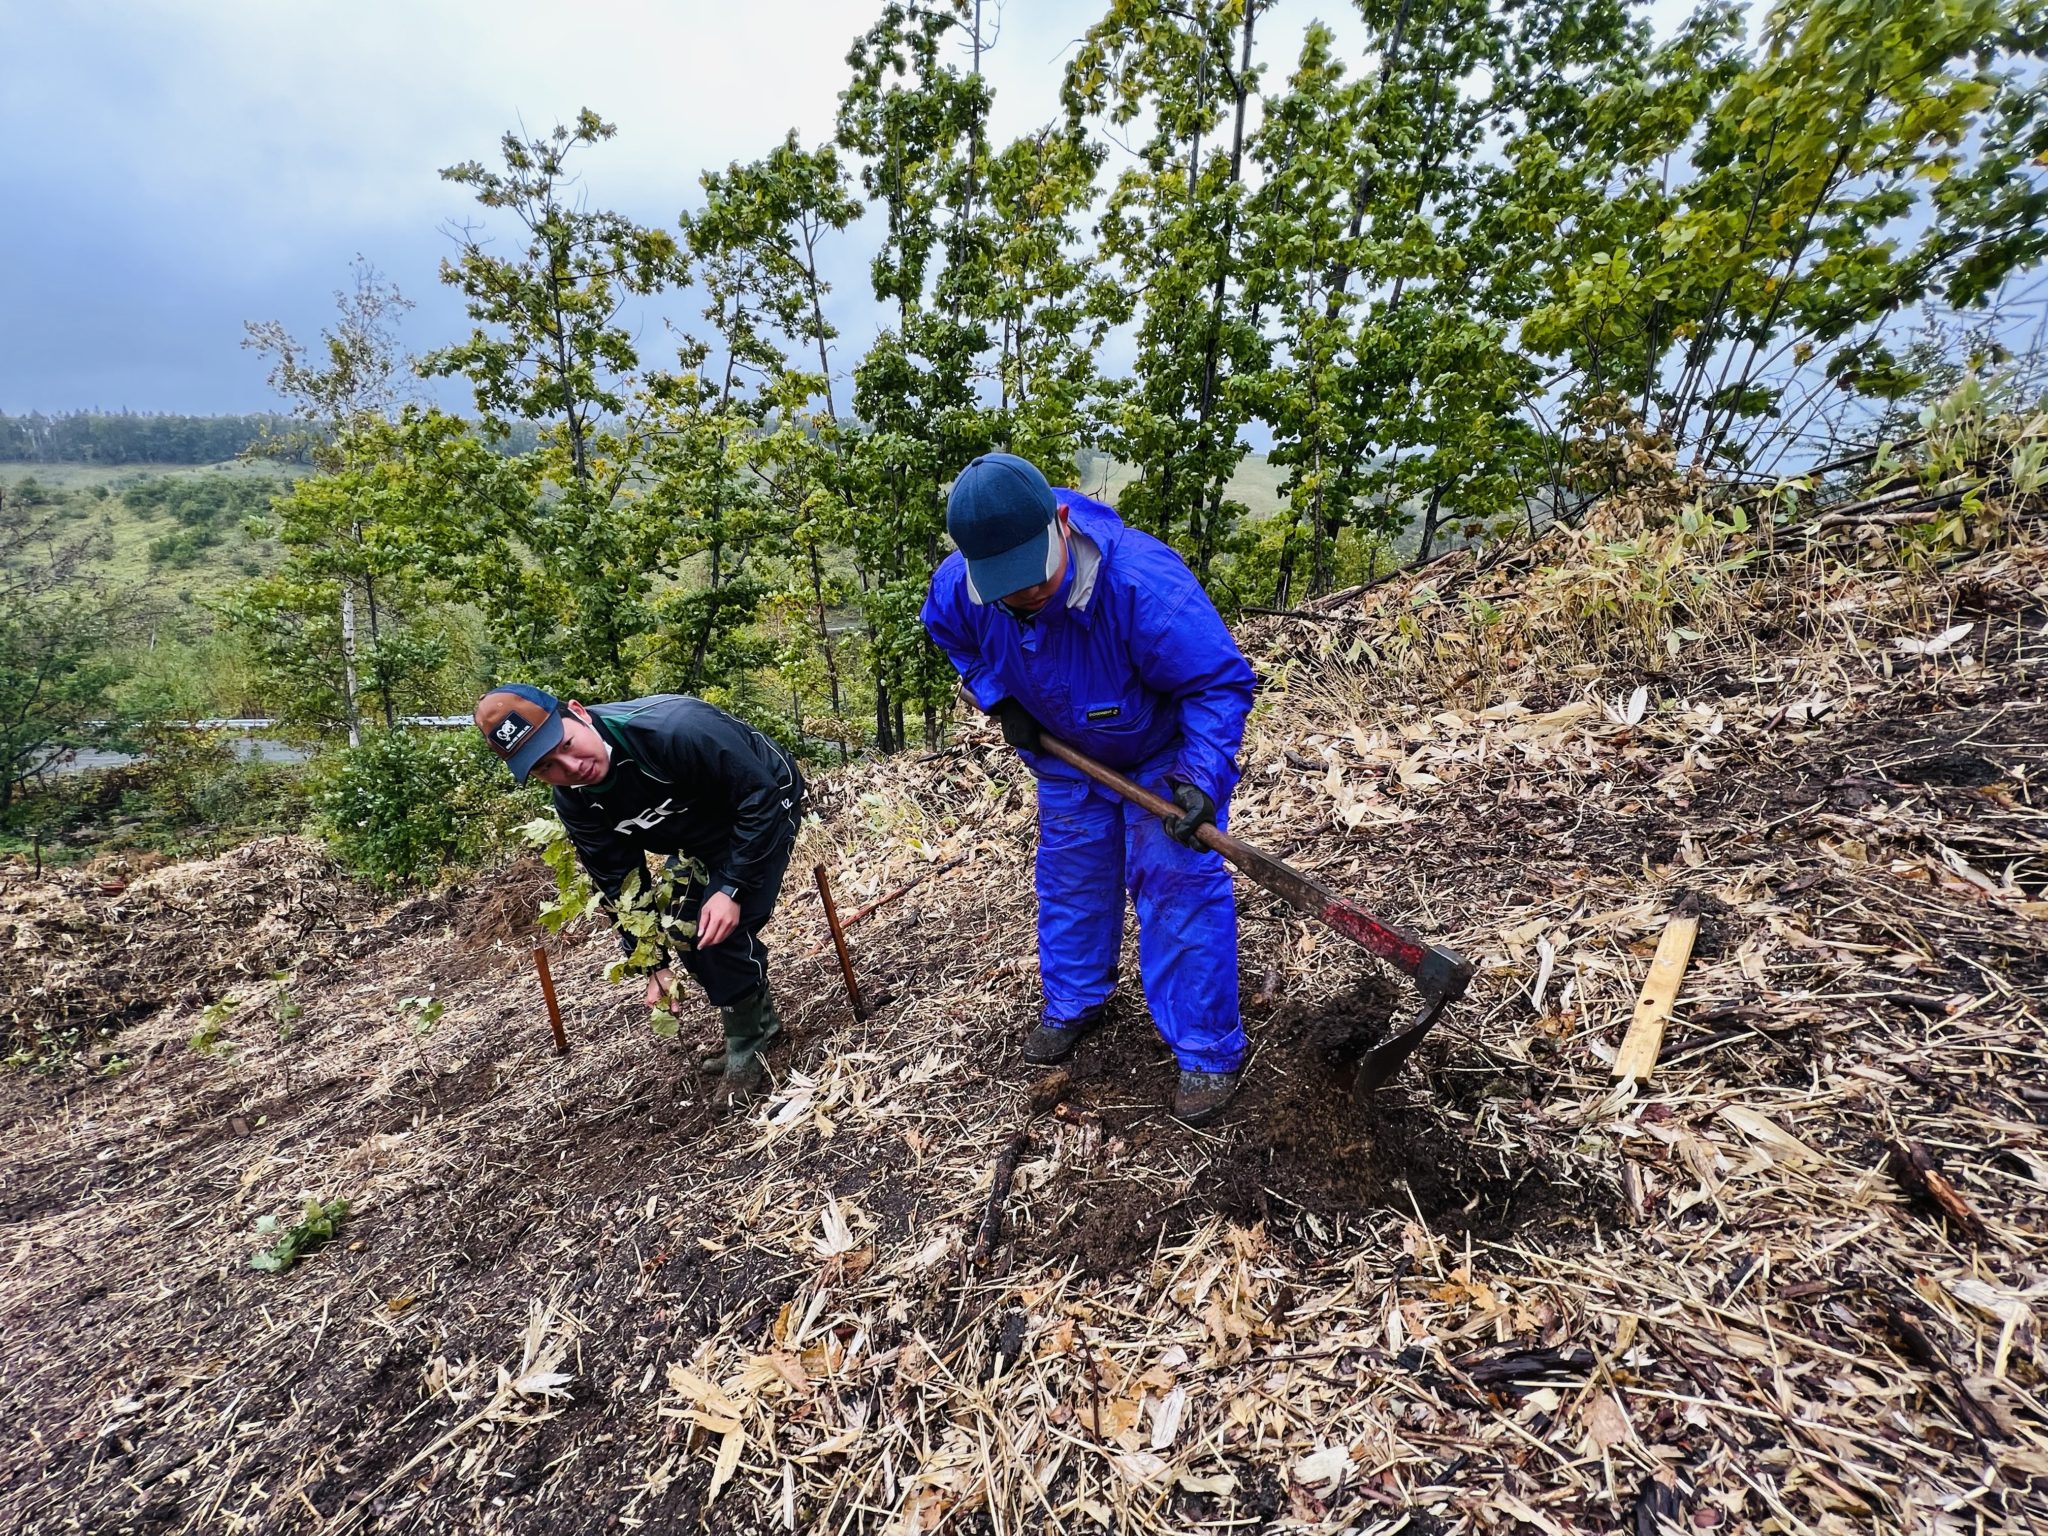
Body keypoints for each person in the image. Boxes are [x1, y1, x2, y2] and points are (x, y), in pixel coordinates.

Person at [921, 453, 1257, 1125]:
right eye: (1004, 585)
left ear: (1063, 524)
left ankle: (1206, 1051)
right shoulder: (963, 585)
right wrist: (996, 697)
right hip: (1067, 755)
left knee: (1176, 885)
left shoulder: (1143, 587)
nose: (1022, 596)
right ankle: (1076, 1001)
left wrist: (1199, 780)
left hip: (1161, 755)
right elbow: (951, 634)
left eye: (1032, 577)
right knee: (1071, 877)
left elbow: (1217, 684)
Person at [473, 685, 804, 1105]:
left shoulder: (676, 729)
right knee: (681, 926)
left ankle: (750, 1040)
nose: (571, 767)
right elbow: (617, 880)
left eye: (567, 745)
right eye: (546, 767)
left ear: (578, 713)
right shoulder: (575, 802)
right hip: (697, 834)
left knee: (718, 931)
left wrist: (731, 887)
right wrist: (650, 961)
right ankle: (757, 1021)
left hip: (762, 803)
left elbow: (760, 798)